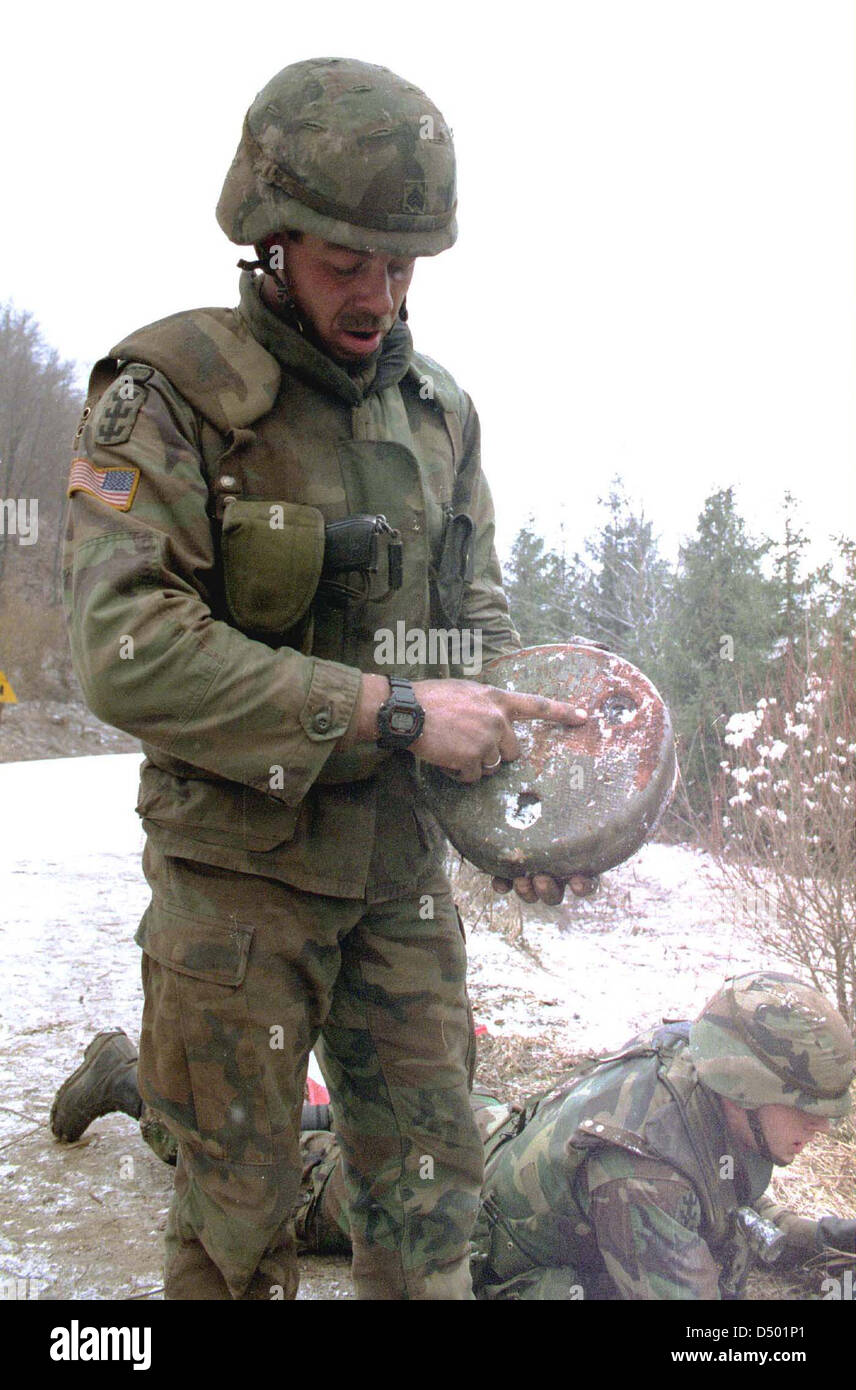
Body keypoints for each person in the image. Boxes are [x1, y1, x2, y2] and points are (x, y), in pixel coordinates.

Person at [62, 57, 596, 1302]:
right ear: (270, 235)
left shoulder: (440, 414)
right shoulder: (170, 397)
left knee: (428, 1221)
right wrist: (387, 710)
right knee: (234, 1233)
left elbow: (469, 631)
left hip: (399, 889)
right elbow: (123, 645)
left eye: (403, 265)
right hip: (236, 894)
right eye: (347, 262)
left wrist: (522, 783)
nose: (379, 294)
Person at [51, 972, 856, 1299]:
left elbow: (725, 1213)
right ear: (746, 1088)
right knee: (248, 1161)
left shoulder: (700, 1071)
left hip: (487, 1130)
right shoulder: (641, 1173)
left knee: (326, 1115)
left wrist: (814, 1236)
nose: (821, 1127)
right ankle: (128, 1078)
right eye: (809, 1107)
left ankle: (304, 1105)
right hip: (428, 1199)